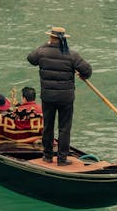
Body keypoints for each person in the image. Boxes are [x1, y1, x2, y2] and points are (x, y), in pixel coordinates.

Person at [27, 26, 92, 165]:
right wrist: (82, 75)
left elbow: (31, 59)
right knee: (64, 128)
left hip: (48, 96)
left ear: (50, 37)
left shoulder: (42, 51)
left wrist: (45, 45)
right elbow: (87, 70)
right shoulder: (72, 55)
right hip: (65, 98)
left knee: (48, 126)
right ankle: (62, 159)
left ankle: (47, 156)